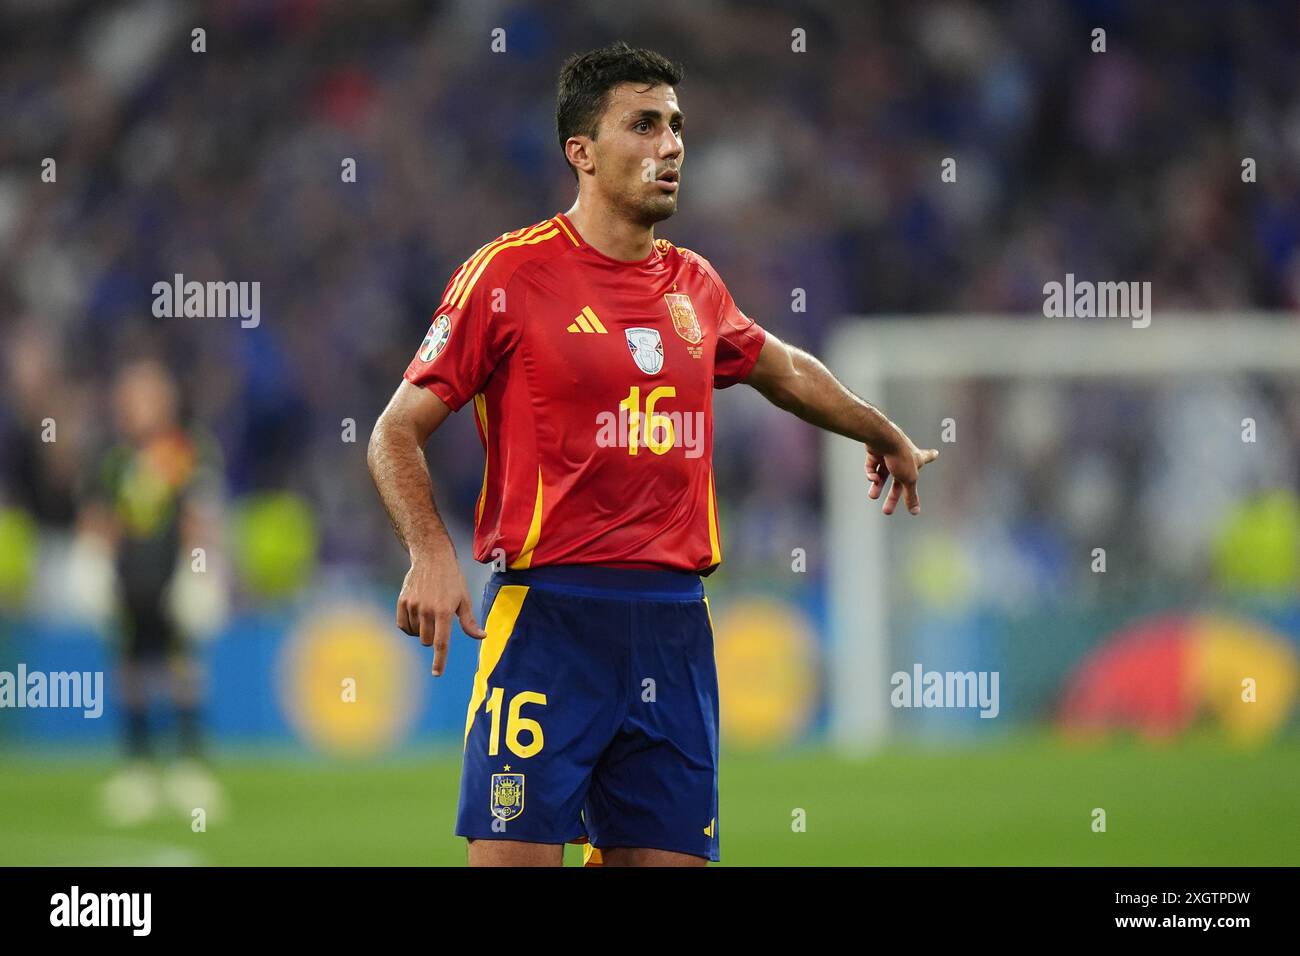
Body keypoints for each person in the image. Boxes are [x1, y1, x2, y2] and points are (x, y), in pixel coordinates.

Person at [368, 41, 937, 867]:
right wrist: (429, 549)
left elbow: (781, 368)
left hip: (673, 628)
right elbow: (393, 431)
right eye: (644, 125)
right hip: (548, 619)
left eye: (675, 126)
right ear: (583, 153)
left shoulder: (695, 286)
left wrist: (879, 429)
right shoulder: (507, 277)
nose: (671, 145)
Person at [83, 358, 227, 826]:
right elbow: (99, 517)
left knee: (182, 662)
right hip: (128, 576)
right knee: (129, 664)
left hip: (172, 572)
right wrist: (94, 565)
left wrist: (197, 569)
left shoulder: (187, 451)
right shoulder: (113, 457)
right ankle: (138, 767)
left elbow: (198, 514)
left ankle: (189, 764)